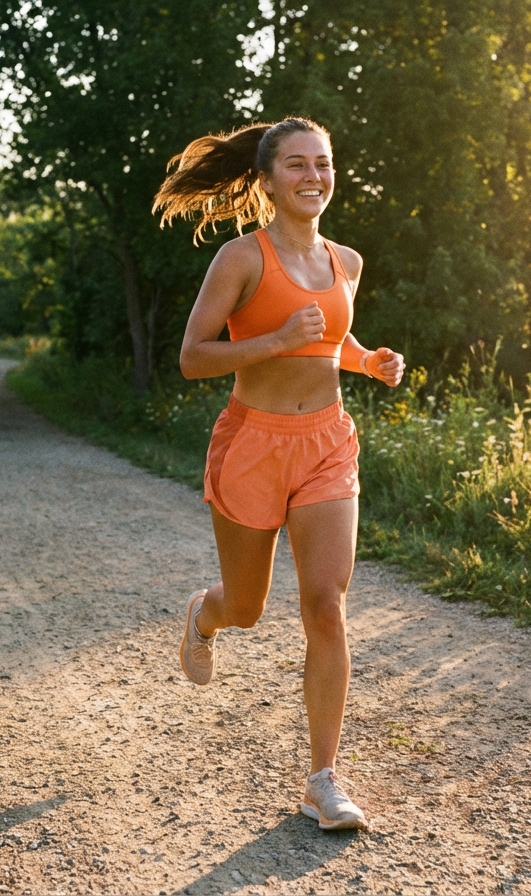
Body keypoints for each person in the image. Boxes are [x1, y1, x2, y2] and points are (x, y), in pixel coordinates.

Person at [152, 118, 405, 831]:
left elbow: (332, 338)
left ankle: (322, 779)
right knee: (248, 606)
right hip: (252, 445)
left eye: (323, 164)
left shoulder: (346, 262)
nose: (313, 176)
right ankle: (206, 614)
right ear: (267, 180)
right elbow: (193, 356)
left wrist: (368, 361)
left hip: (327, 443)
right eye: (297, 165)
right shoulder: (240, 259)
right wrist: (271, 340)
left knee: (326, 606)